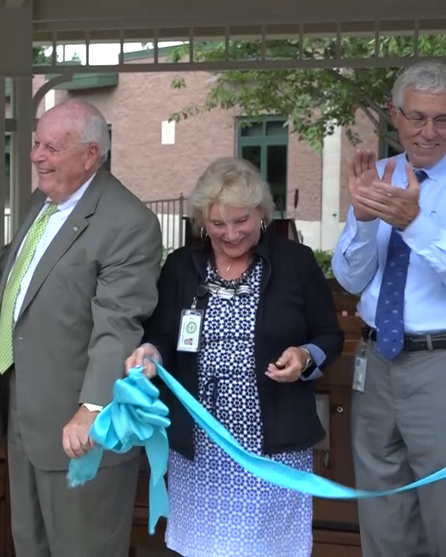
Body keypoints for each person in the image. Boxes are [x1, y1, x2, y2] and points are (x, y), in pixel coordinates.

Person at [0, 99, 163, 556]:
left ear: (90, 155)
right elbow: (8, 267)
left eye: (50, 147)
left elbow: (118, 324)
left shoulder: (128, 224)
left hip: (81, 428)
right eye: (36, 144)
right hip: (24, 416)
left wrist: (92, 406)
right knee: (31, 546)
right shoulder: (44, 201)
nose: (36, 156)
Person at [124, 156, 344, 556]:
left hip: (270, 441)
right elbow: (161, 334)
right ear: (202, 221)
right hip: (200, 441)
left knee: (264, 547)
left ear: (261, 213)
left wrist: (304, 356)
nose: (230, 234)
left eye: (241, 221)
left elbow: (329, 335)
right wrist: (149, 353)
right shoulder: (181, 266)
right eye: (217, 223)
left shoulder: (295, 262)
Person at [331, 60, 446, 556]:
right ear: (395, 115)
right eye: (417, 117)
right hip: (376, 361)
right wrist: (360, 220)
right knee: (380, 505)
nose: (428, 131)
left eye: (443, 119)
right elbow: (350, 278)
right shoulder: (380, 175)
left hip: (438, 364)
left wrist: (414, 224)